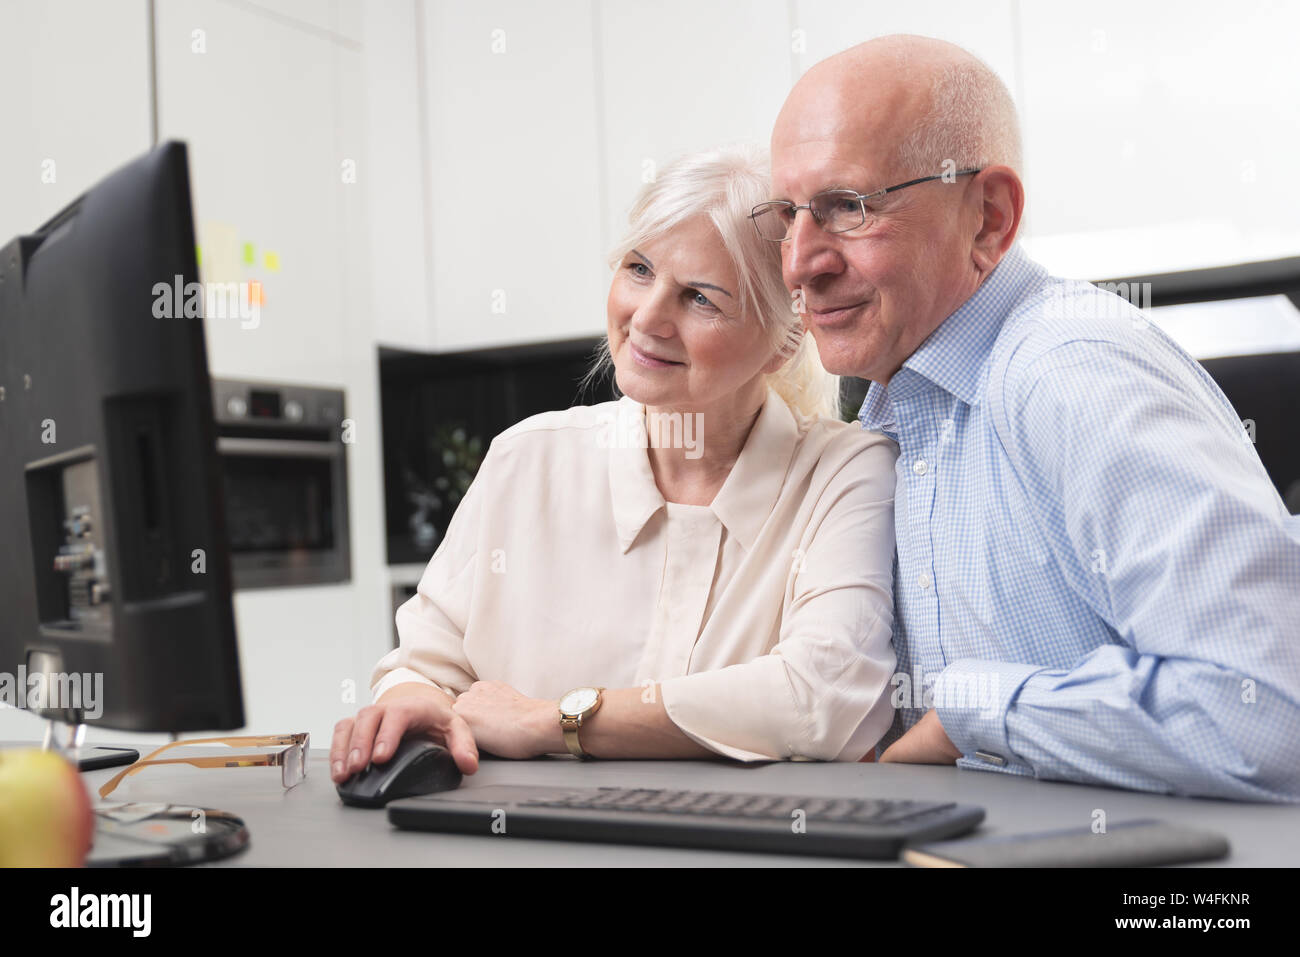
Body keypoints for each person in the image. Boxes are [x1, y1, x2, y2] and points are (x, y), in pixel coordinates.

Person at [763, 34, 1300, 801]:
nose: (799, 262)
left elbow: (1272, 713)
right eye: (789, 214)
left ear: (989, 216)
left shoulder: (1068, 368)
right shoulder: (895, 416)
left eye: (848, 207)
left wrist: (970, 712)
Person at [330, 145, 899, 783]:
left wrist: (554, 722)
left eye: (700, 298)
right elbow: (427, 665)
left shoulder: (847, 472)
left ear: (783, 341)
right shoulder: (527, 458)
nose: (647, 316)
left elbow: (826, 694)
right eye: (638, 269)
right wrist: (412, 702)